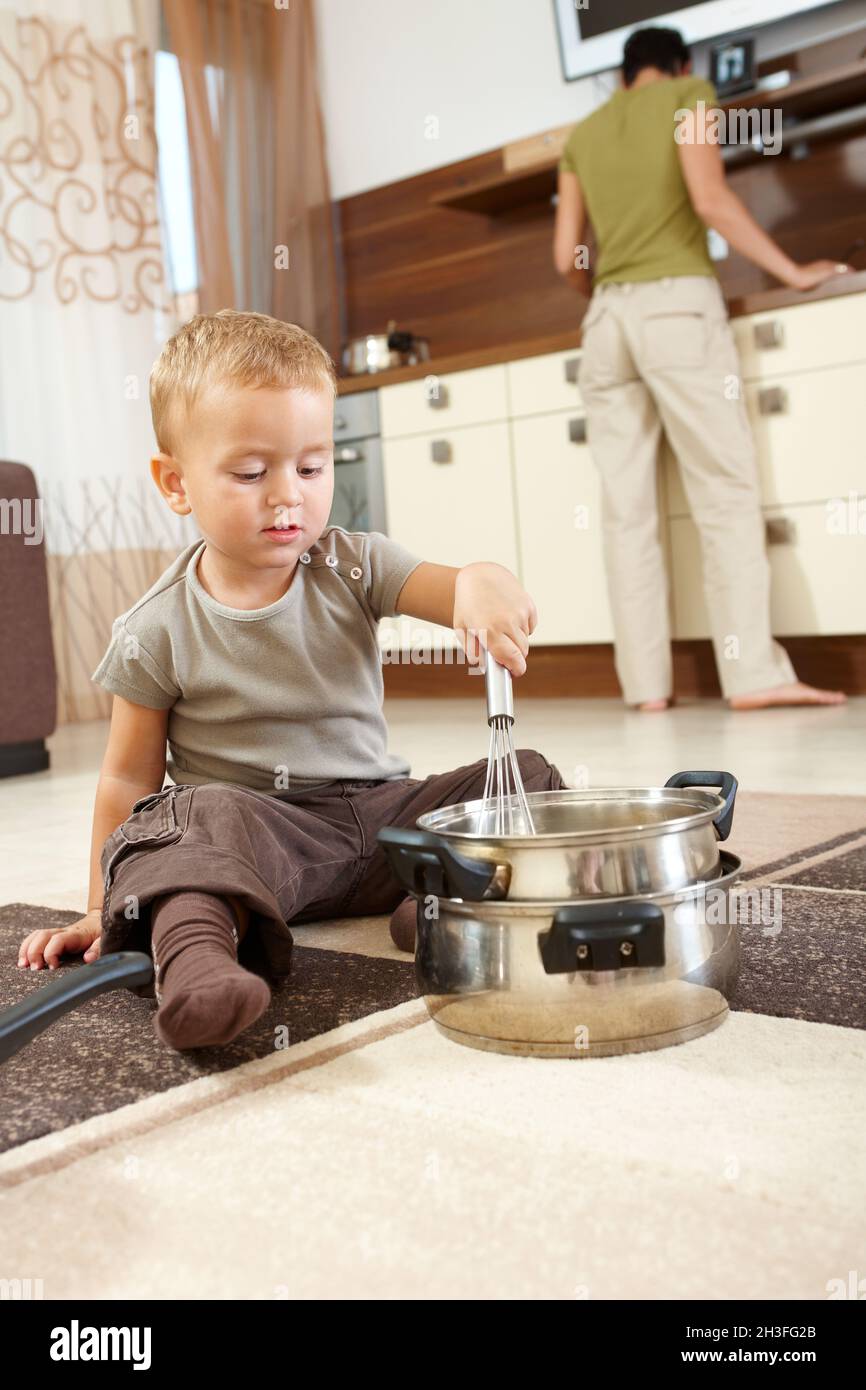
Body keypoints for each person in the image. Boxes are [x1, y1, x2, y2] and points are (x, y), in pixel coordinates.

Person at [16, 309, 565, 1048]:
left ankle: (439, 900)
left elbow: (454, 583)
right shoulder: (154, 629)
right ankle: (198, 970)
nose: (288, 496)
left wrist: (483, 583)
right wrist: (99, 905)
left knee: (527, 773)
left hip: (379, 826)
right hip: (255, 844)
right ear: (175, 483)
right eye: (251, 473)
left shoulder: (354, 563)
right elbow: (125, 782)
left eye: (311, 468)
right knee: (185, 823)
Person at [553, 25, 851, 711]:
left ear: (626, 75)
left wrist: (603, 294)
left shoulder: (584, 133)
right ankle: (753, 676)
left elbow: (566, 251)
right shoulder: (692, 93)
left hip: (605, 326)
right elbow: (710, 199)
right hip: (676, 311)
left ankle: (647, 690)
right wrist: (795, 272)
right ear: (681, 64)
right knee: (723, 492)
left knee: (626, 516)